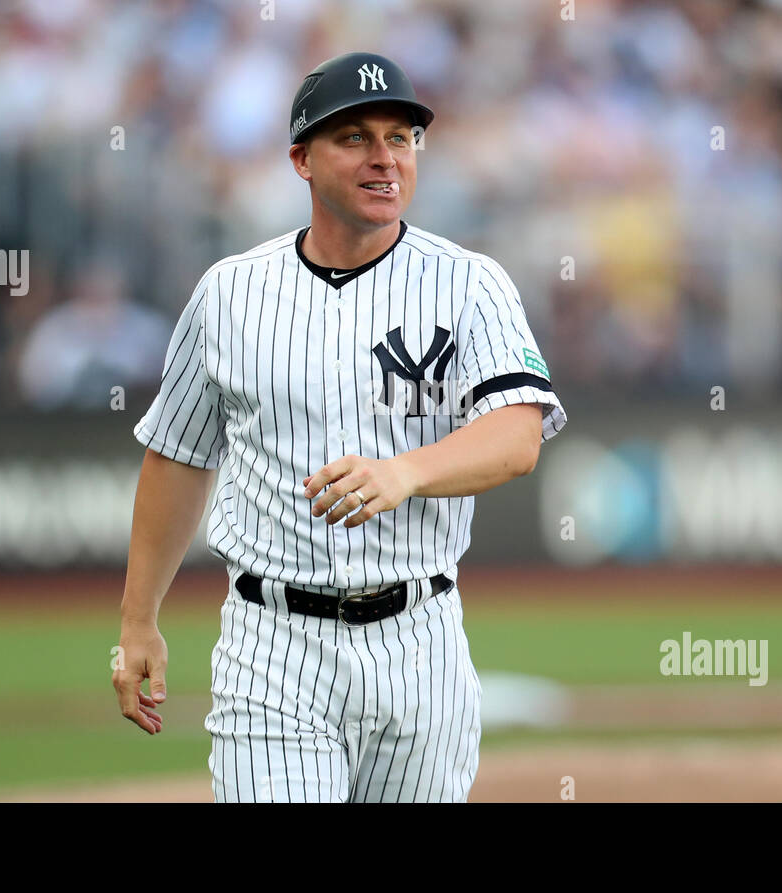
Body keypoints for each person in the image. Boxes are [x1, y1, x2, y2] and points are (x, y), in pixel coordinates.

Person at [113, 52, 566, 802]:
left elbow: (517, 433)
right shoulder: (229, 292)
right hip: (274, 639)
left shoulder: (470, 282)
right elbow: (178, 456)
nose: (385, 157)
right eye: (354, 137)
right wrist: (138, 623)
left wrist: (406, 470)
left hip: (420, 637)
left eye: (401, 136)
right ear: (302, 158)